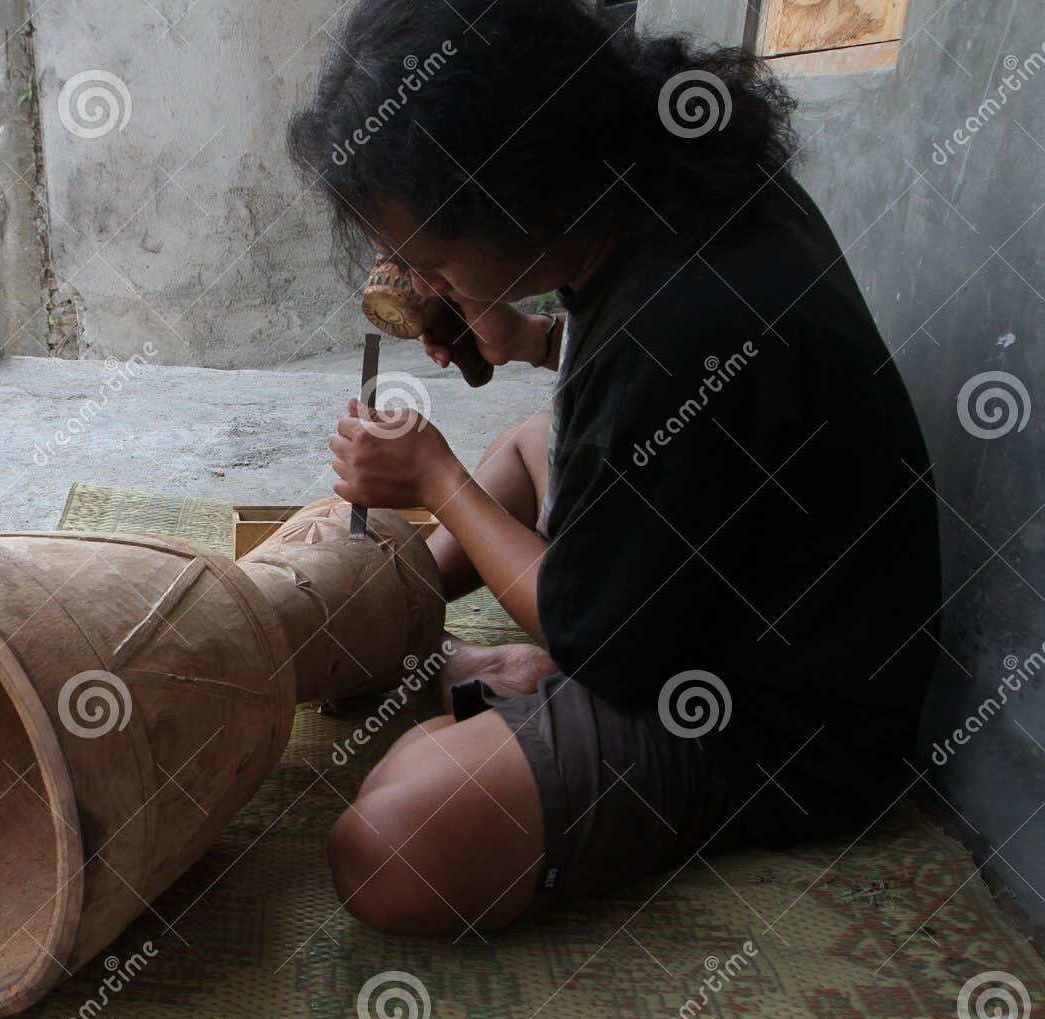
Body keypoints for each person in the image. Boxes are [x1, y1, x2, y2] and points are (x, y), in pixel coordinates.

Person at [287, 0, 941, 935]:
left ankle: (451, 672)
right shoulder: (667, 173)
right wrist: (536, 339)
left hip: (768, 719)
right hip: (725, 580)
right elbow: (659, 379)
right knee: (531, 443)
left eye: (429, 260)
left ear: (514, 195)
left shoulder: (680, 326)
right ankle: (392, 613)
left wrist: (434, 479)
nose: (419, 285)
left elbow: (602, 642)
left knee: (389, 841)